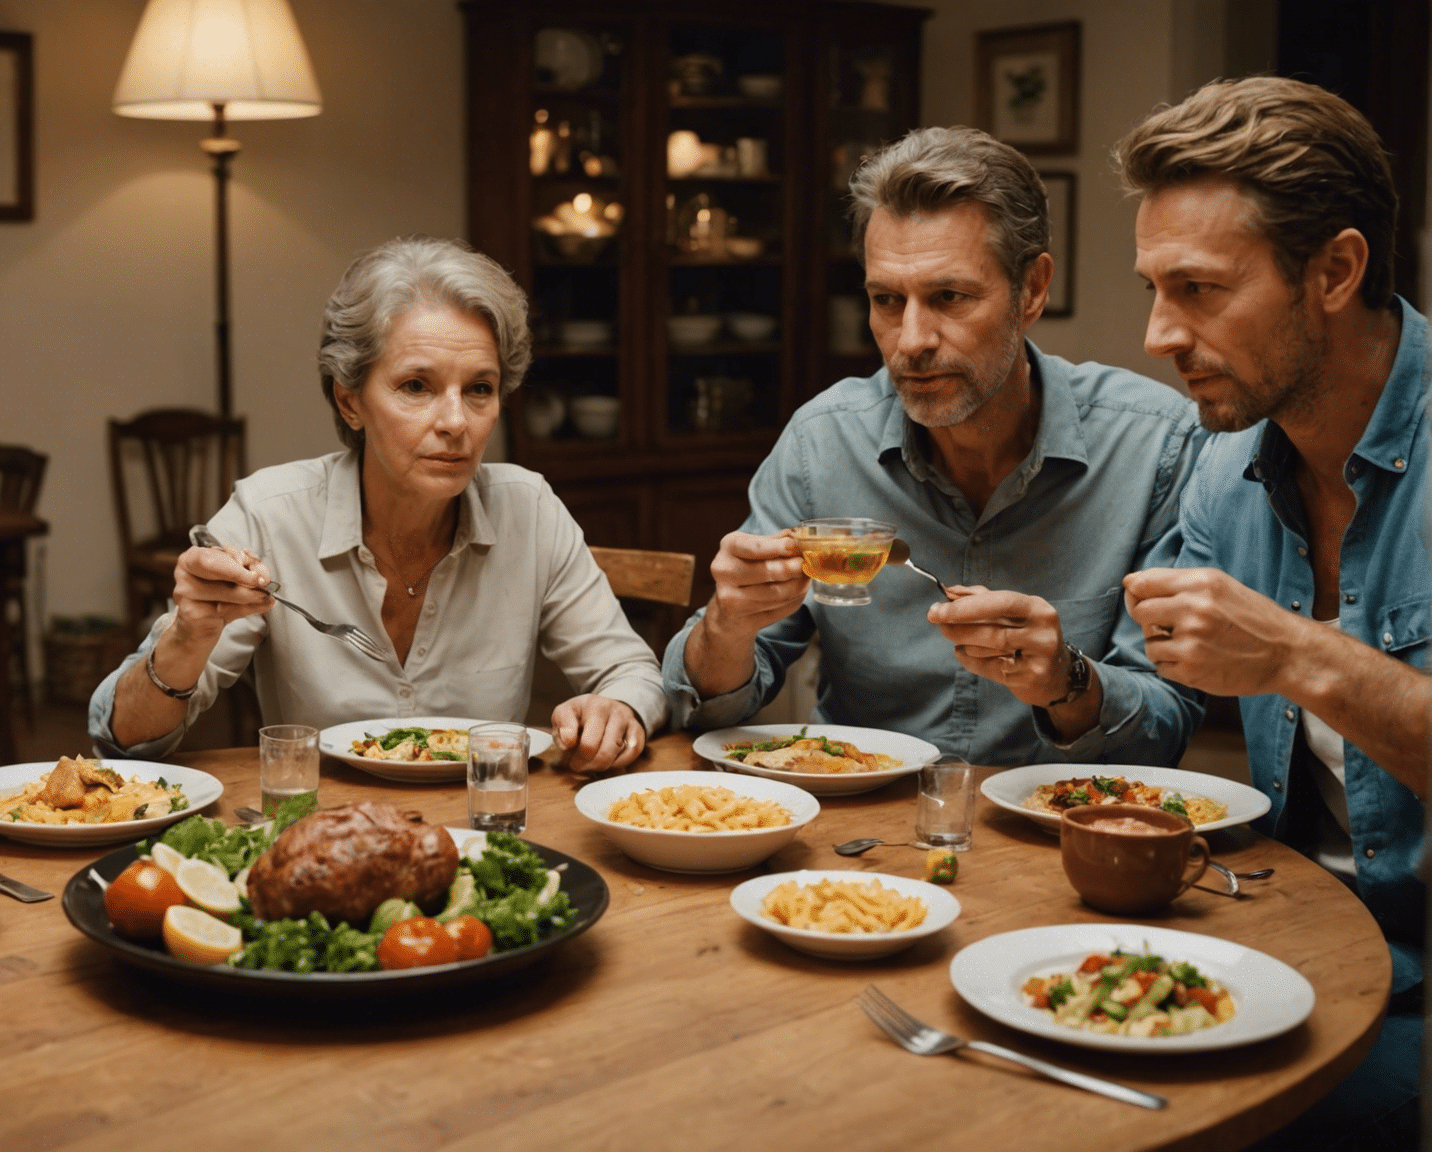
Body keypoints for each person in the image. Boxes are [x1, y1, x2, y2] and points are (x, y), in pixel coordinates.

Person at [663, 126, 1205, 766]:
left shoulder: (1154, 445)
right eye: (887, 300)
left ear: (1031, 290)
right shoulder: (824, 439)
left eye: (949, 297)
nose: (911, 339)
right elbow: (705, 702)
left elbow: (1169, 724)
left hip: (1059, 834)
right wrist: (729, 624)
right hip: (859, 834)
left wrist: (1068, 679)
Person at [1116, 77, 1425, 1151]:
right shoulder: (1225, 470)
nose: (1159, 334)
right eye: (1156, 288)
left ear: (1335, 270)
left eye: (1200, 290)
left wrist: (1300, 655)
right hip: (1292, 940)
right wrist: (1057, 674)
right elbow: (1157, 695)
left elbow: (1277, 660)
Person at [91, 236, 666, 771]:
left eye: (479, 389)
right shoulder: (269, 515)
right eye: (416, 386)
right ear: (350, 403)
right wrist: (187, 638)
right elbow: (124, 739)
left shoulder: (530, 509)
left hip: (487, 831)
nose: (455, 422)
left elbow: (632, 672)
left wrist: (618, 709)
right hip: (320, 835)